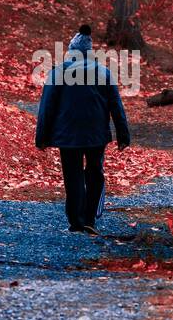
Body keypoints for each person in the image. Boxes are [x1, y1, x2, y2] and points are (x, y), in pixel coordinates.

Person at [35, 24, 130, 235]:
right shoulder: (103, 73)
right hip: (96, 134)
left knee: (73, 175)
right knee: (95, 172)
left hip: (67, 134)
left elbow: (47, 106)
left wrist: (41, 137)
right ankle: (89, 218)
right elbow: (116, 105)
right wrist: (123, 135)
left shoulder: (59, 72)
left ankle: (76, 221)